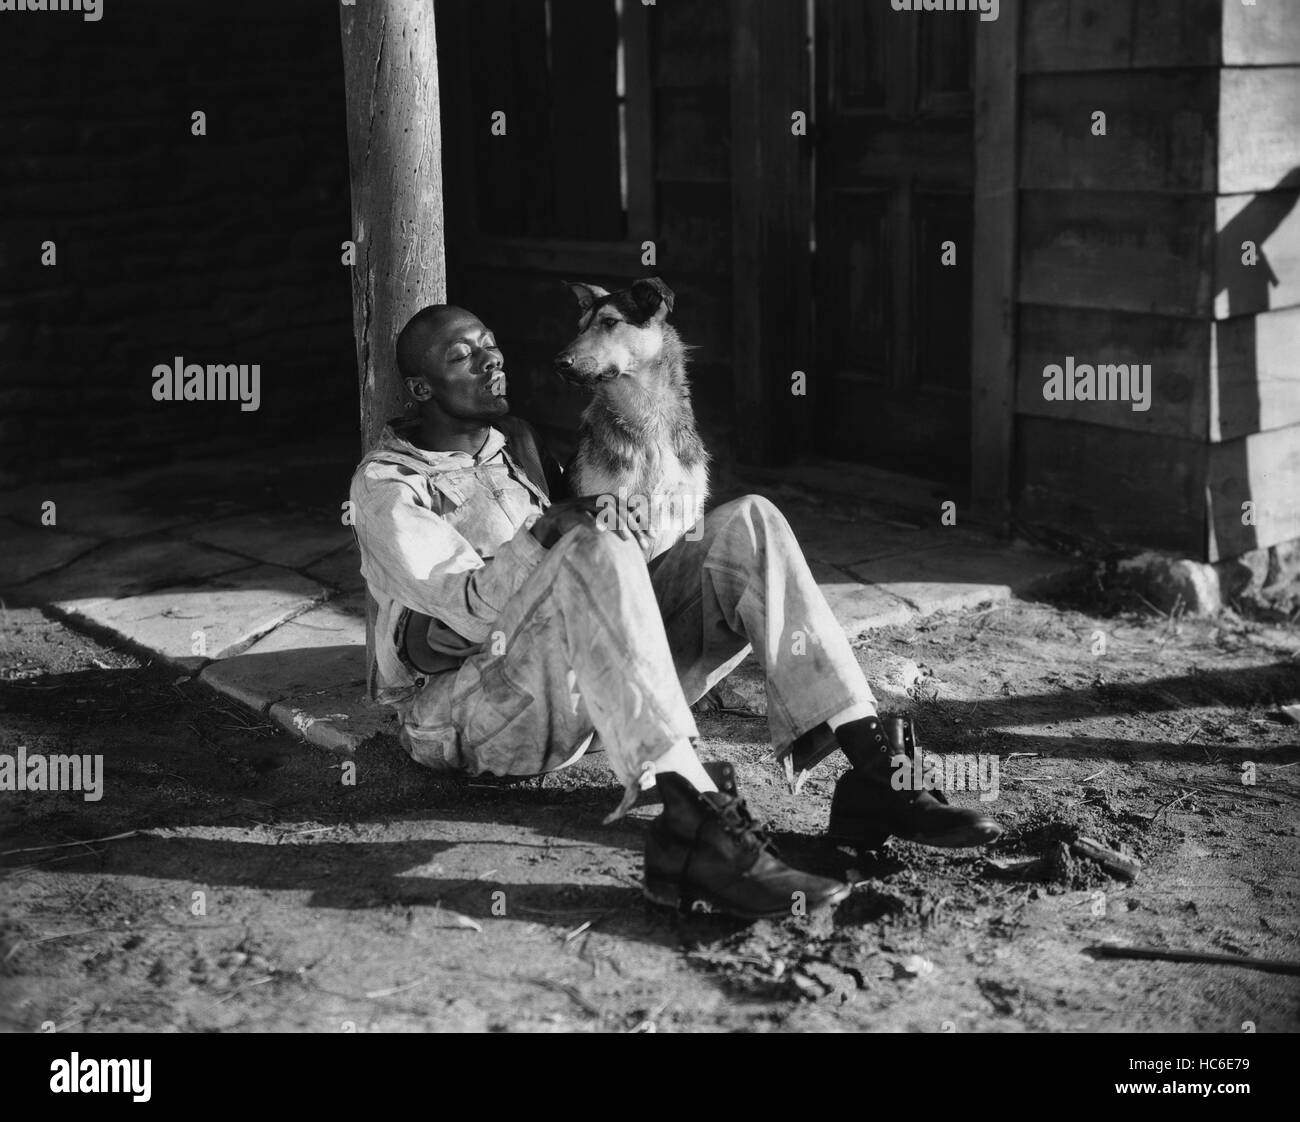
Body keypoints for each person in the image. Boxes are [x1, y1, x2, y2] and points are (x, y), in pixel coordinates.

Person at [349, 304, 1002, 920]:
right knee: (588, 543)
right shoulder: (388, 487)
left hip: (571, 694)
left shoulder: (512, 445)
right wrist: (550, 533)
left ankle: (875, 772)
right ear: (421, 388)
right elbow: (462, 611)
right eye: (465, 357)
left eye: (492, 349)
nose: (492, 364)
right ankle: (695, 828)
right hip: (471, 725)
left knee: (750, 524)